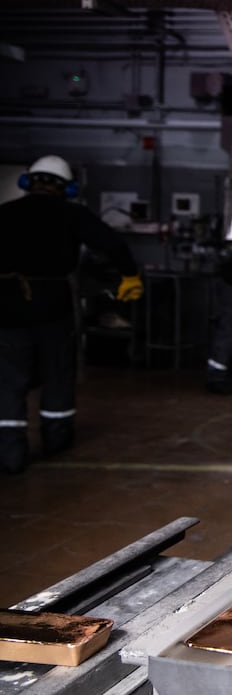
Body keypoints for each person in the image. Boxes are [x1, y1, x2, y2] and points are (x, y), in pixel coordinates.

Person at [0, 154, 144, 474]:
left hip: (8, 308)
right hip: (54, 305)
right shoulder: (72, 214)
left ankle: (10, 453)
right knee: (57, 373)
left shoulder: (5, 213)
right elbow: (113, 244)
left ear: (27, 182)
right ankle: (57, 442)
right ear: (67, 188)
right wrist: (129, 275)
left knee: (8, 379)